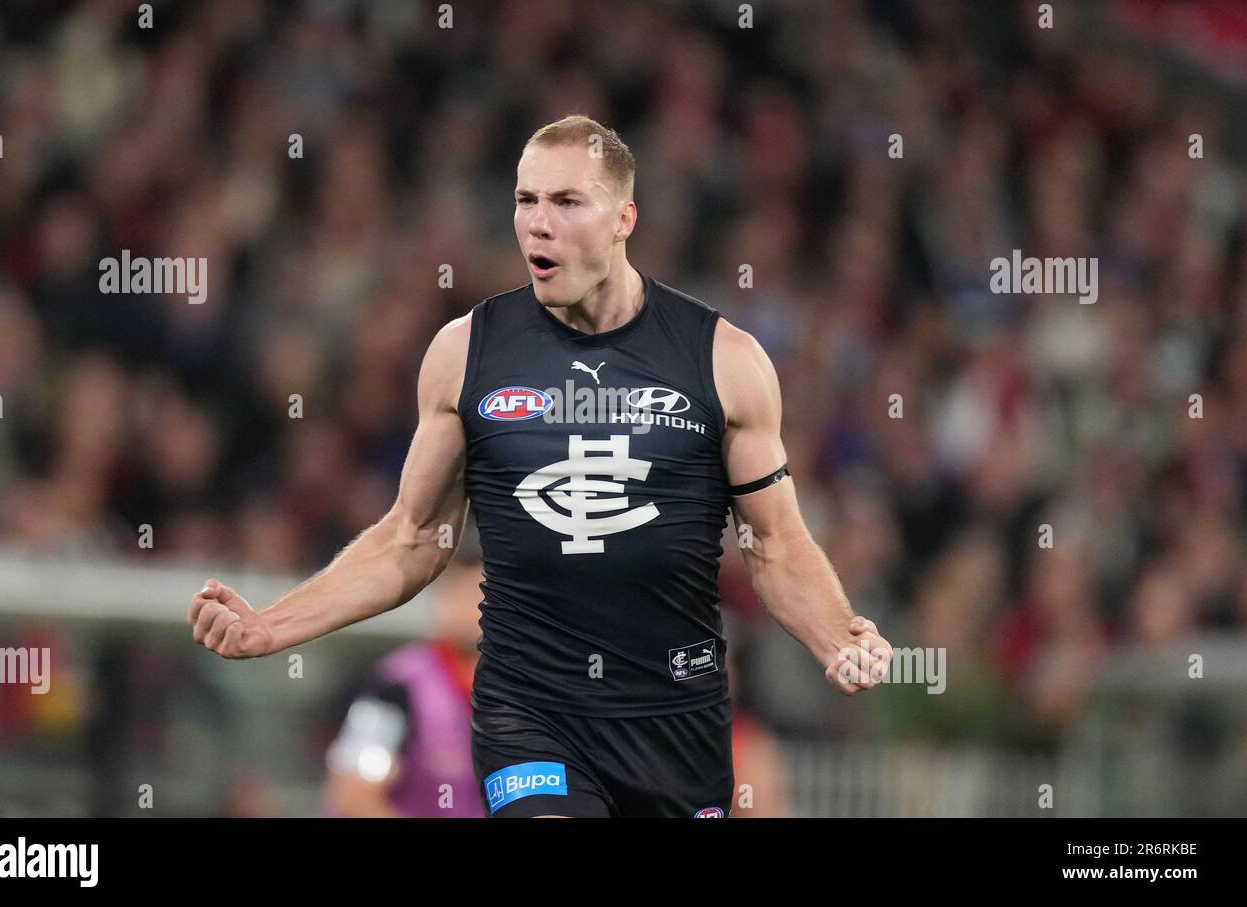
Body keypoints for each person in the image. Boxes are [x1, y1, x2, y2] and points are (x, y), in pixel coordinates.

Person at [188, 114, 892, 818]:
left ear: (624, 219)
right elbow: (410, 540)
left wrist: (836, 634)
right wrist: (272, 626)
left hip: (675, 721)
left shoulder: (724, 361)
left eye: (566, 202)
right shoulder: (465, 354)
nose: (537, 224)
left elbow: (772, 541)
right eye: (526, 200)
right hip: (531, 712)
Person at [322, 556, 485, 818]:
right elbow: (354, 796)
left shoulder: (519, 692)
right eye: (461, 594)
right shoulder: (396, 687)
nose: (473, 608)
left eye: (483, 596)